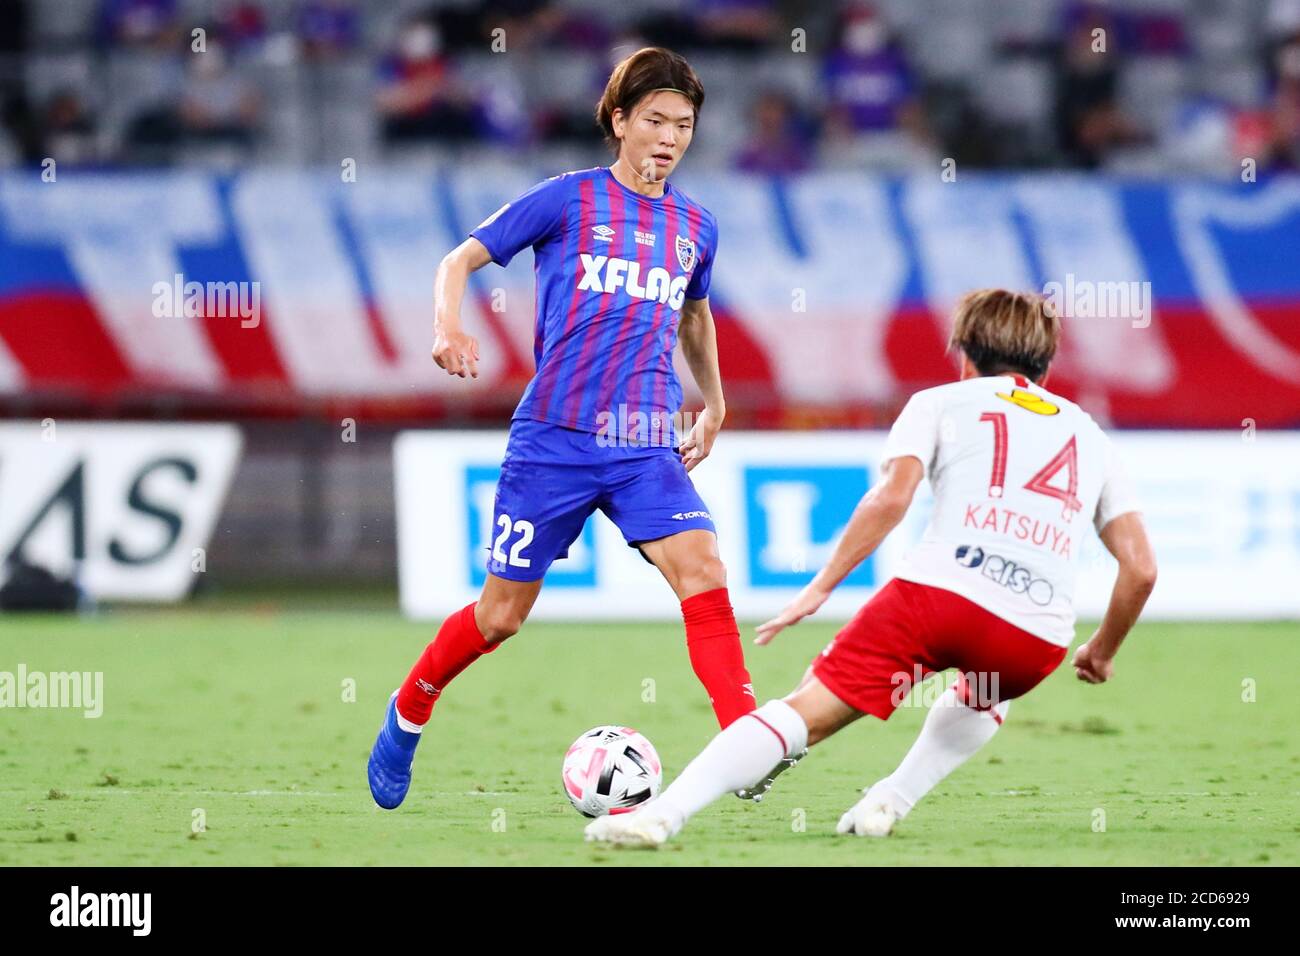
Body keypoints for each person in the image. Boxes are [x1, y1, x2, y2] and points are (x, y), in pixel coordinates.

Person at [586, 288, 1158, 846]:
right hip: (1035, 636)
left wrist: (819, 587)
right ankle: (891, 800)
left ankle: (659, 817)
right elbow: (1140, 569)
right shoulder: (1091, 434)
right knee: (987, 691)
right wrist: (1101, 651)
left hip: (940, 599)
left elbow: (890, 497)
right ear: (1047, 367)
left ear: (965, 356)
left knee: (806, 713)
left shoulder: (939, 403)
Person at [368, 47, 755, 810]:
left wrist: (712, 402)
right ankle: (410, 707)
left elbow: (695, 313)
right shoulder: (566, 199)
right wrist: (447, 327)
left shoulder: (695, 227)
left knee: (703, 571)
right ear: (618, 121)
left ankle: (745, 741)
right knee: (501, 616)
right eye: (654, 121)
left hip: (643, 442)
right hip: (555, 439)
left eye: (684, 125)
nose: (670, 138)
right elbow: (459, 260)